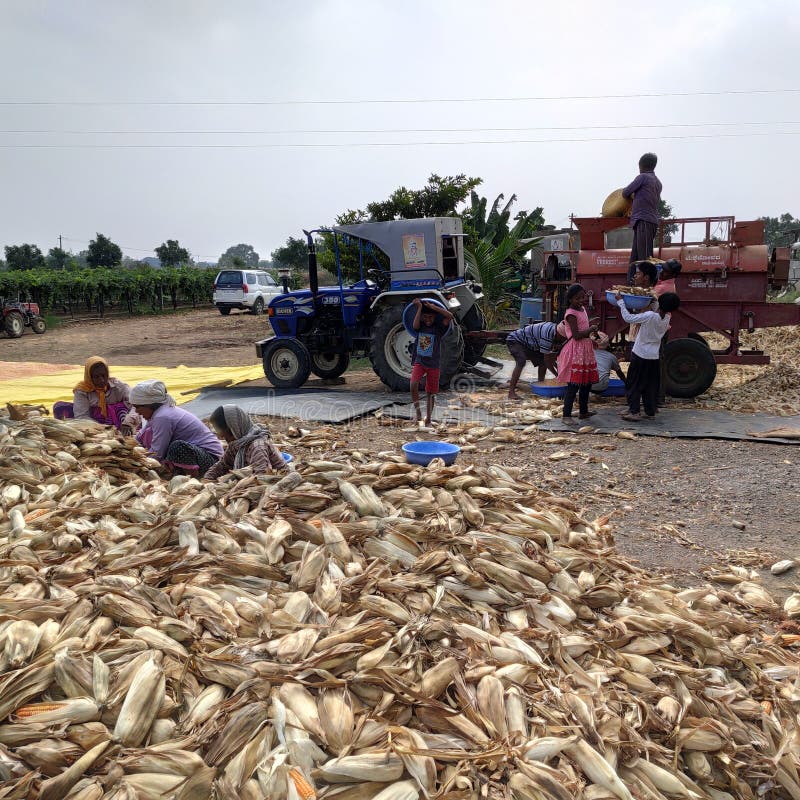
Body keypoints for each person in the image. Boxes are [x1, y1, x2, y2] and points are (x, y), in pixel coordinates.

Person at [129, 380, 223, 476]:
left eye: (138, 407)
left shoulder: (162, 417)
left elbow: (157, 452)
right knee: (149, 434)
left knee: (177, 447)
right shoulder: (158, 414)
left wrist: (139, 465)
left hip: (211, 461)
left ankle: (194, 479)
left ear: (148, 405)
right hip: (199, 455)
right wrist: (126, 447)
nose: (137, 412)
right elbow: (139, 437)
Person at [615, 292, 681, 421]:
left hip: (640, 354)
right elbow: (661, 308)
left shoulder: (649, 316)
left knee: (634, 383)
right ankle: (650, 411)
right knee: (650, 385)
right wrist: (655, 301)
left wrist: (620, 302)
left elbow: (628, 318)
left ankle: (634, 412)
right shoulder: (666, 318)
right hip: (653, 357)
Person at [205, 405, 287, 480]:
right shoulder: (236, 444)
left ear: (235, 429)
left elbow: (262, 477)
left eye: (224, 434)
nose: (223, 437)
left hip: (276, 482)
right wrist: (206, 479)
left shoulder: (257, 446)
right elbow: (222, 465)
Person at [53, 356, 134, 431]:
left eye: (104, 375)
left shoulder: (119, 387)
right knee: (59, 407)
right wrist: (102, 428)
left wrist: (128, 422)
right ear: (89, 377)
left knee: (132, 409)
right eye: (97, 377)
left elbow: (136, 405)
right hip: (95, 423)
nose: (102, 380)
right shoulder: (82, 390)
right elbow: (82, 416)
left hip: (120, 422)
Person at [557, 284, 599, 422]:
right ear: (570, 299)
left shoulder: (582, 309)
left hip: (585, 349)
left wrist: (591, 330)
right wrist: (591, 329)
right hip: (576, 350)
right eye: (577, 298)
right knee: (574, 384)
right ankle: (566, 415)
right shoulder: (570, 314)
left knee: (586, 382)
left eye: (583, 297)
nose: (581, 300)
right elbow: (576, 335)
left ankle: (583, 411)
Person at [410, 298, 454, 426]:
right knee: (413, 384)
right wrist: (419, 308)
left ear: (435, 317)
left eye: (430, 317)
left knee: (430, 392)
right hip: (420, 362)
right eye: (425, 317)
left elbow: (450, 316)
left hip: (434, 364)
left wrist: (433, 307)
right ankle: (418, 414)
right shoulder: (420, 327)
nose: (428, 319)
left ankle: (428, 418)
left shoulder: (438, 328)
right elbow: (414, 326)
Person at [622, 153, 663, 283]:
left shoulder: (643, 177)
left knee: (644, 257)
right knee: (635, 256)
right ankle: (630, 283)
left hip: (644, 220)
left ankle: (647, 285)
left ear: (641, 166)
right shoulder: (658, 182)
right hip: (647, 221)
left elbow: (625, 192)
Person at [505, 321, 565, 399]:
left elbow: (550, 359)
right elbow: (548, 361)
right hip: (515, 340)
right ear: (558, 334)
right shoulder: (547, 335)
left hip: (529, 344)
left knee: (542, 362)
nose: (562, 340)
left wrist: (560, 372)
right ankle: (511, 392)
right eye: (562, 338)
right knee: (521, 362)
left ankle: (541, 386)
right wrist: (558, 375)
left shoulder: (555, 330)